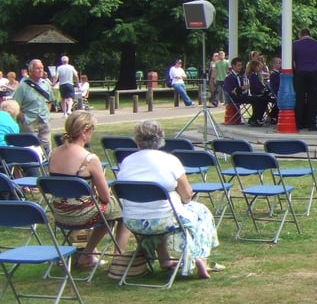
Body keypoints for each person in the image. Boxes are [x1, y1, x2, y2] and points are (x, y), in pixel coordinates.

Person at [117, 120, 219, 279]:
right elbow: (187, 194)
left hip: (132, 221)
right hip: (163, 220)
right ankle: (200, 257)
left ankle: (164, 259)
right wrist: (181, 199)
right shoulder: (170, 160)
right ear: (161, 139)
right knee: (201, 211)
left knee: (161, 209)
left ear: (137, 140)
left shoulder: (126, 161)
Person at [48, 110, 131, 269]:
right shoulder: (89, 159)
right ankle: (118, 257)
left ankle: (88, 254)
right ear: (86, 131)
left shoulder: (54, 154)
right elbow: (106, 198)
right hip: (80, 213)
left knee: (108, 213)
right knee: (123, 209)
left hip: (60, 213)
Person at [11, 58, 54, 157]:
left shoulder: (46, 84)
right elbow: (15, 104)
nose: (40, 70)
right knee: (31, 146)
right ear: (30, 71)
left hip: (44, 119)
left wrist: (47, 111)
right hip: (29, 120)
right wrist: (23, 118)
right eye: (37, 68)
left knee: (47, 145)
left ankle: (48, 166)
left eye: (42, 68)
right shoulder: (23, 86)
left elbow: (50, 100)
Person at [292, 28, 317, 131]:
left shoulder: (295, 44)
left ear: (301, 35)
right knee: (313, 99)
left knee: (299, 98)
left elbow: (291, 60)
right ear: (310, 34)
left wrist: (295, 71)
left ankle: (298, 123)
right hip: (314, 72)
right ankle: (312, 124)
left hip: (300, 73)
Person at [223, 57, 269, 126]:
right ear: (233, 66)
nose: (240, 67)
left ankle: (257, 118)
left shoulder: (241, 76)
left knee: (262, 99)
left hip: (243, 95)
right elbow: (231, 92)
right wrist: (243, 88)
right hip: (235, 98)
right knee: (257, 99)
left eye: (241, 65)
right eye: (238, 65)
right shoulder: (229, 77)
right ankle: (254, 119)